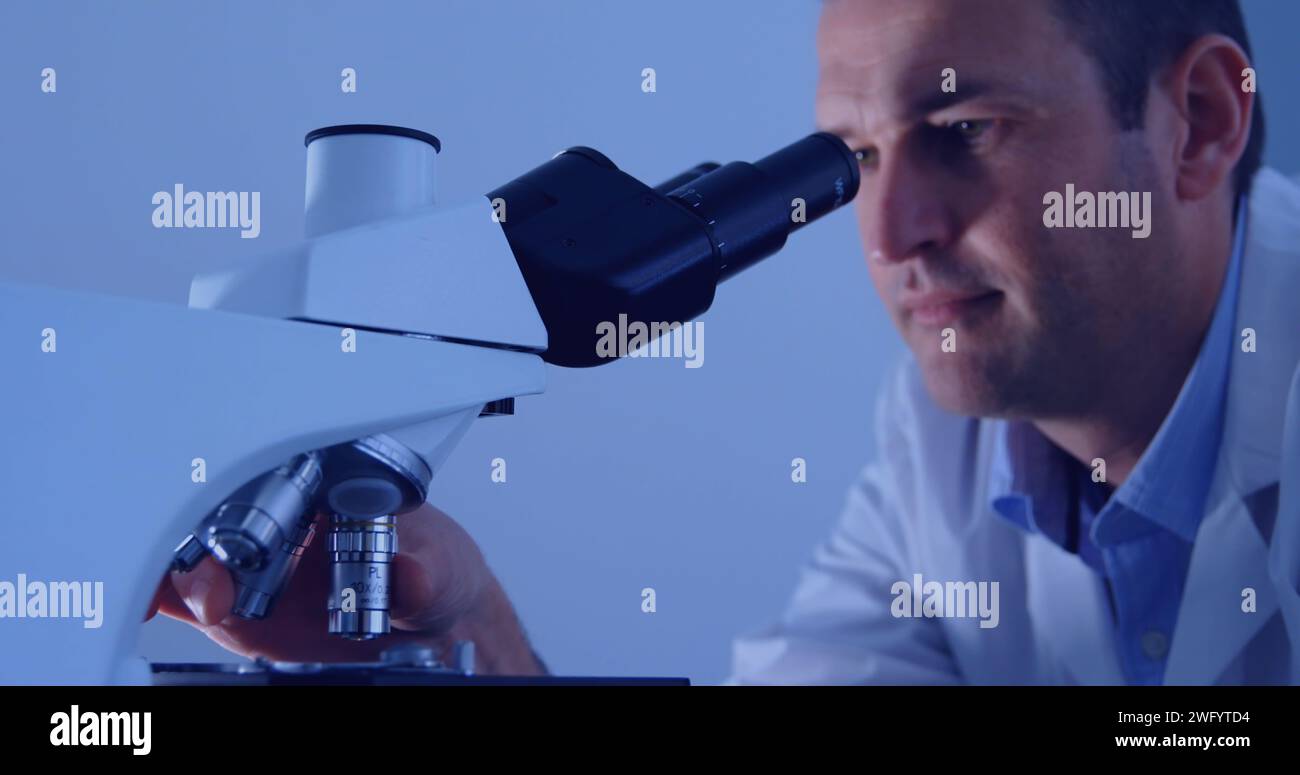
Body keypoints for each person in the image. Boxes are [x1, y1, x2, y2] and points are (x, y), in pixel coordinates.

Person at [154, 0, 1300, 684]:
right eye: (850, 160)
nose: (890, 232)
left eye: (964, 131)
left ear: (1198, 122)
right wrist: (470, 634)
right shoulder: (942, 443)